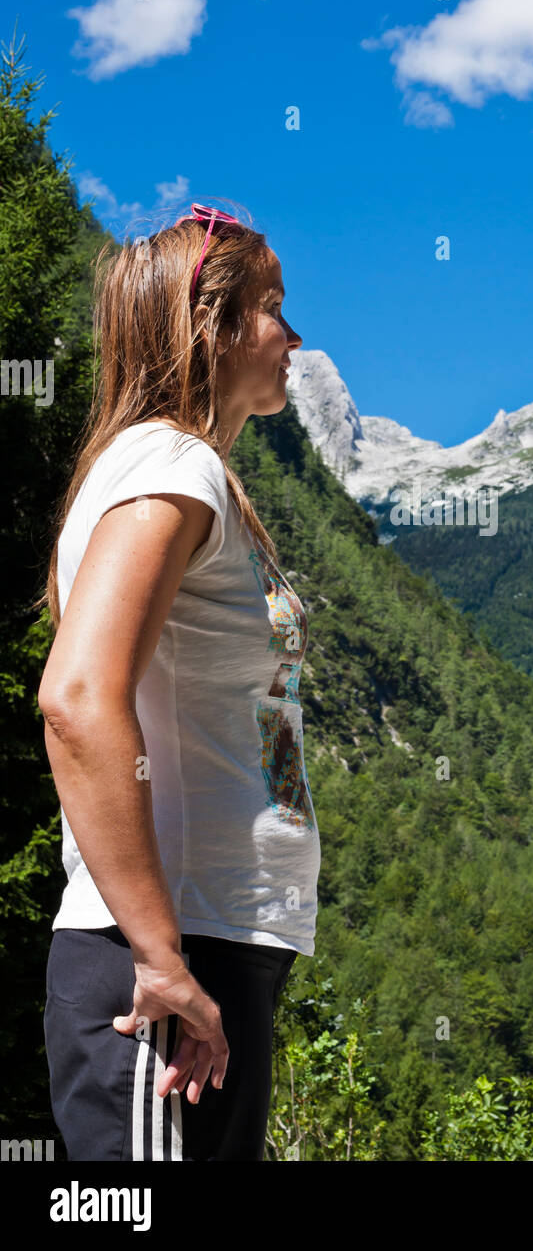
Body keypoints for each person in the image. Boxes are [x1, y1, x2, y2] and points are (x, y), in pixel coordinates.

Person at [36, 203, 320, 1161]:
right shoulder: (170, 466)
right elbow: (76, 702)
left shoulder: (200, 478)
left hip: (217, 946)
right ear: (213, 325)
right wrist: (158, 956)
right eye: (272, 307)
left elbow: (261, 714)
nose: (293, 334)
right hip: (161, 963)